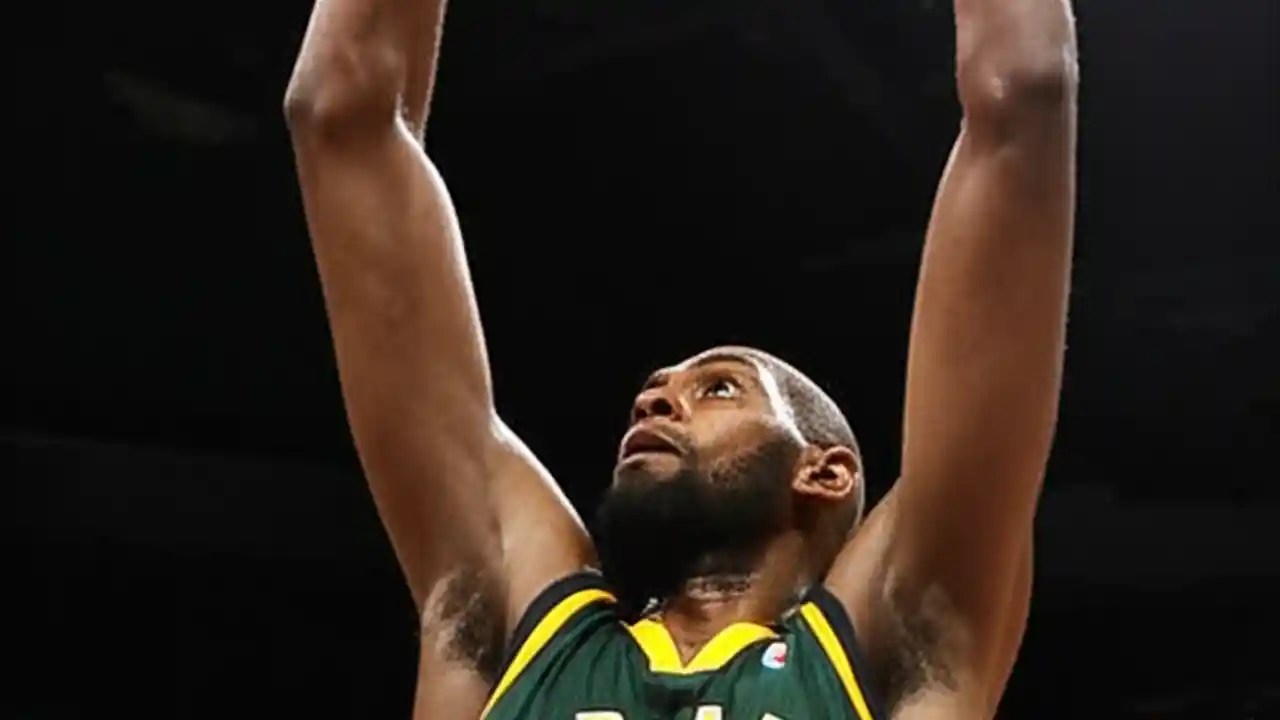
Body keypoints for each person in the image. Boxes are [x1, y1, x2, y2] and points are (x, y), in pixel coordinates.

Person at [282, 0, 1078, 714]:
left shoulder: (888, 652)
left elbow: (1026, 89)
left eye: (720, 387)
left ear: (825, 473)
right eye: (656, 391)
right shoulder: (521, 635)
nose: (654, 402)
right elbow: (341, 106)